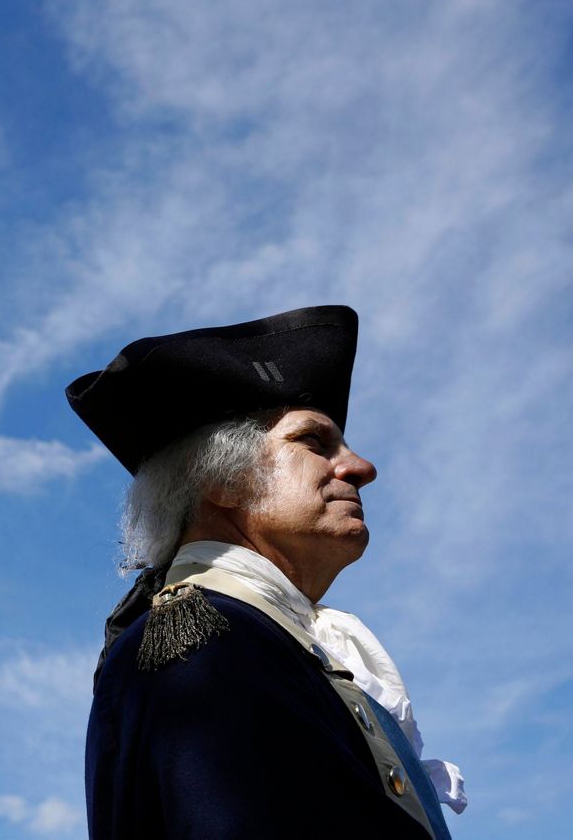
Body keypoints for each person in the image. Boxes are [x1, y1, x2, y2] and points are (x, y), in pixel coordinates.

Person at [67, 305, 465, 839]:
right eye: (314, 442)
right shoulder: (204, 643)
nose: (360, 468)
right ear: (222, 481)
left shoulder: (261, 642)